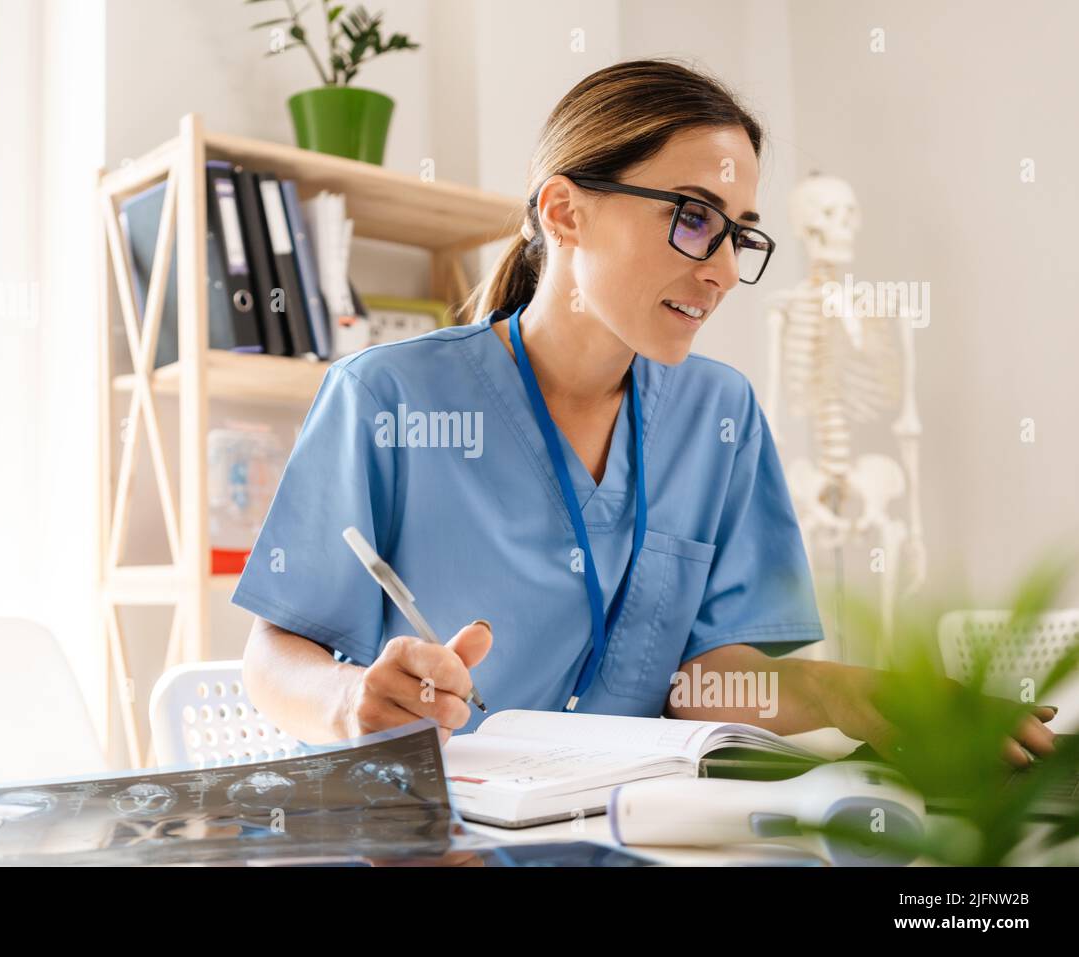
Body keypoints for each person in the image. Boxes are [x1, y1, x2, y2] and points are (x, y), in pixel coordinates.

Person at [230, 58, 1055, 765]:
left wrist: (865, 695)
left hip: (623, 826)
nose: (725, 271)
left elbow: (703, 679)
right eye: (694, 218)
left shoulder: (718, 412)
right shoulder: (387, 398)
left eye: (742, 236)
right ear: (564, 212)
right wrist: (350, 701)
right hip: (428, 828)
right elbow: (272, 656)